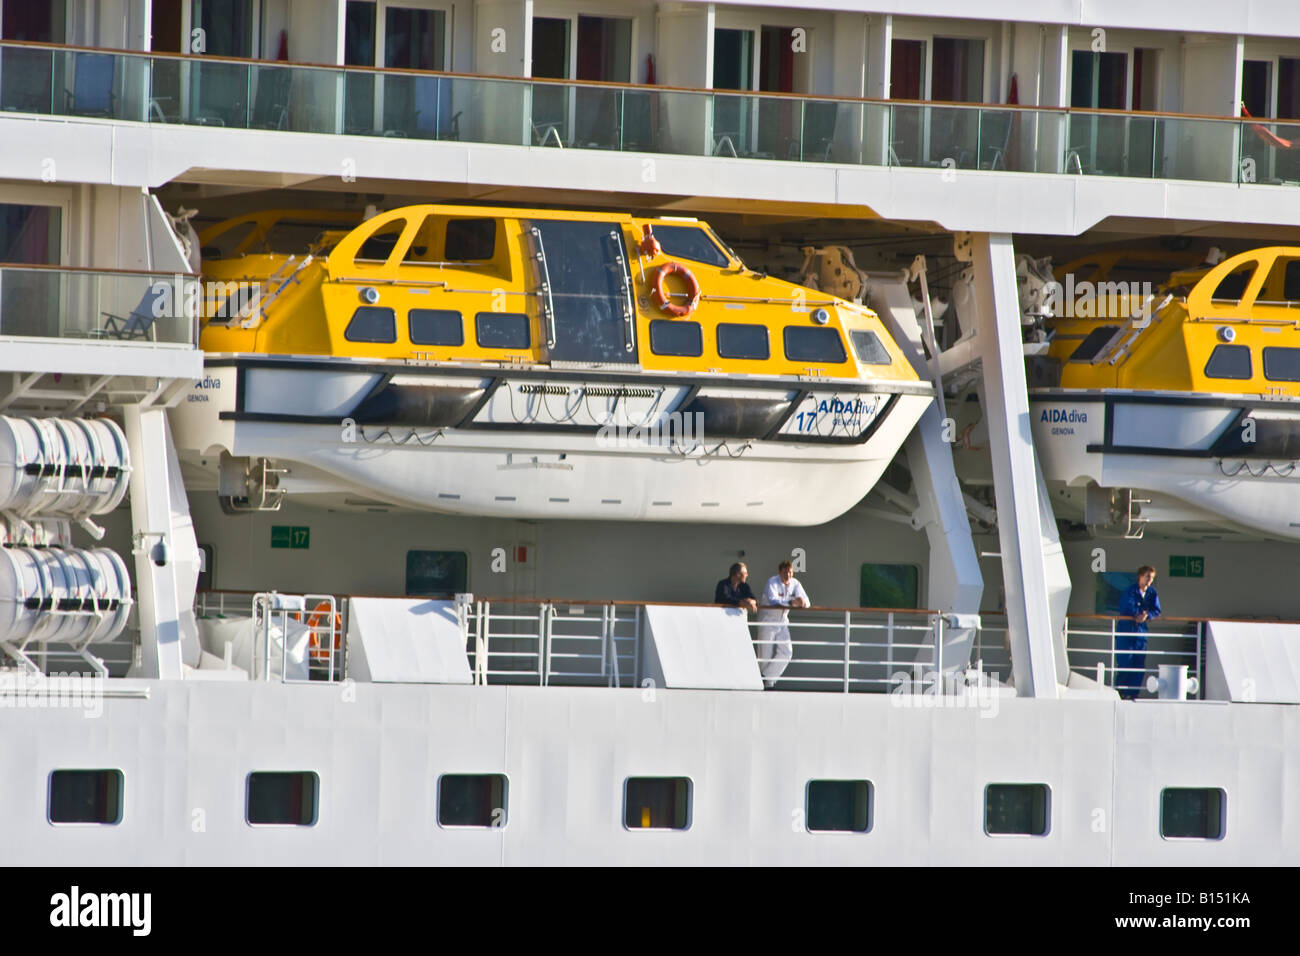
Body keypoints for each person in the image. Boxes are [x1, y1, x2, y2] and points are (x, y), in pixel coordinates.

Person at [756, 561, 811, 689]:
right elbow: (773, 601)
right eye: (785, 572)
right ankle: (766, 685)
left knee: (787, 652)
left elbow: (806, 601)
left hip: (782, 621)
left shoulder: (795, 583)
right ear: (780, 572)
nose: (788, 575)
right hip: (767, 620)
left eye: (790, 572)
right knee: (765, 654)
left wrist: (801, 602)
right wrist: (792, 602)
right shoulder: (772, 582)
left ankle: (767, 677)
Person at [1115, 565, 1161, 700]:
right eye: (1147, 576)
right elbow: (1125, 606)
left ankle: (1133, 693)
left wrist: (1147, 615)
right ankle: (1121, 692)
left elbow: (1157, 610)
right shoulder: (1130, 591)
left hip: (1140, 632)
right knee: (1125, 662)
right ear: (1140, 576)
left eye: (1151, 578)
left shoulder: (1152, 593)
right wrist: (1137, 614)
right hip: (1127, 631)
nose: (1149, 580)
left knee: (1139, 664)